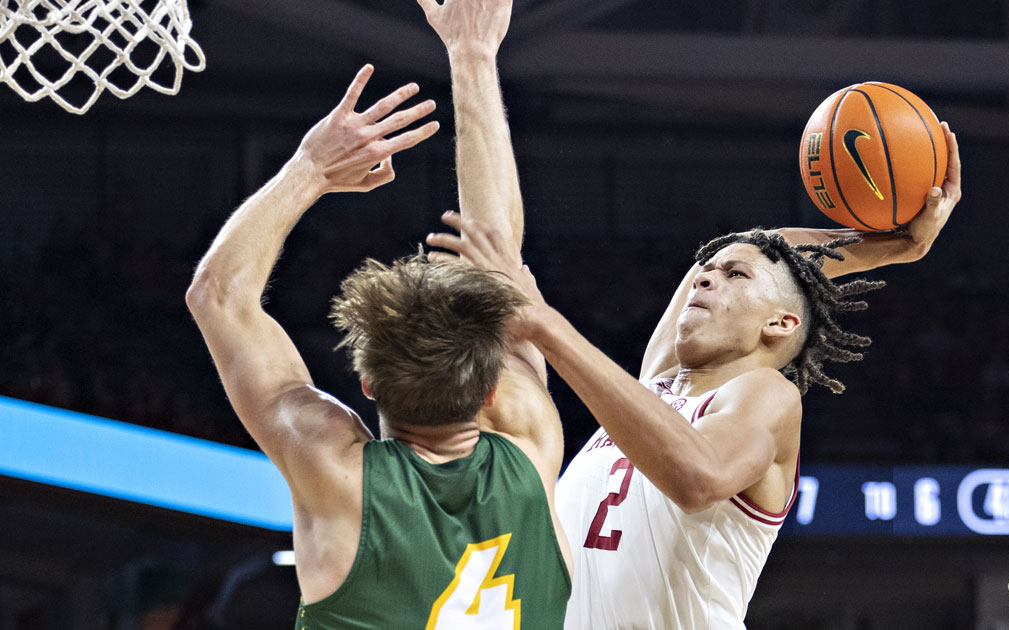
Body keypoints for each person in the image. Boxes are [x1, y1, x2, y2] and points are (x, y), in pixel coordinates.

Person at [425, 25, 963, 620]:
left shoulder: (764, 395)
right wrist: (471, 57)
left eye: (735, 277)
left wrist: (547, 328)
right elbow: (498, 255)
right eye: (705, 273)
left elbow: (699, 476)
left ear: (781, 324)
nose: (704, 279)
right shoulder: (657, 385)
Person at [186, 64, 570, 629]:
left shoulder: (334, 471)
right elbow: (497, 251)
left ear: (367, 385)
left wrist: (310, 169)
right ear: (489, 391)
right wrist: (474, 53)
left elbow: (218, 296)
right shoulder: (530, 442)